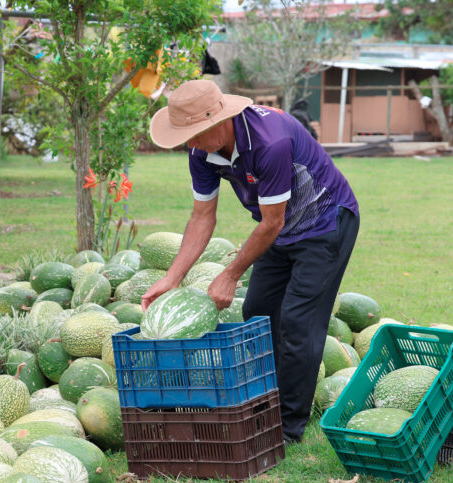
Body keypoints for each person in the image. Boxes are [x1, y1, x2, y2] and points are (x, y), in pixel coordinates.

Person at [142, 79, 359, 444]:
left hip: (325, 223)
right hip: (279, 227)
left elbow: (272, 221)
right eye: (186, 136)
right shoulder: (202, 153)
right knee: (258, 310)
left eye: (195, 134)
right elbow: (202, 218)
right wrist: (172, 278)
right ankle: (269, 400)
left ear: (220, 121)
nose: (190, 144)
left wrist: (229, 275)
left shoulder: (268, 141)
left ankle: (288, 427)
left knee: (298, 321)